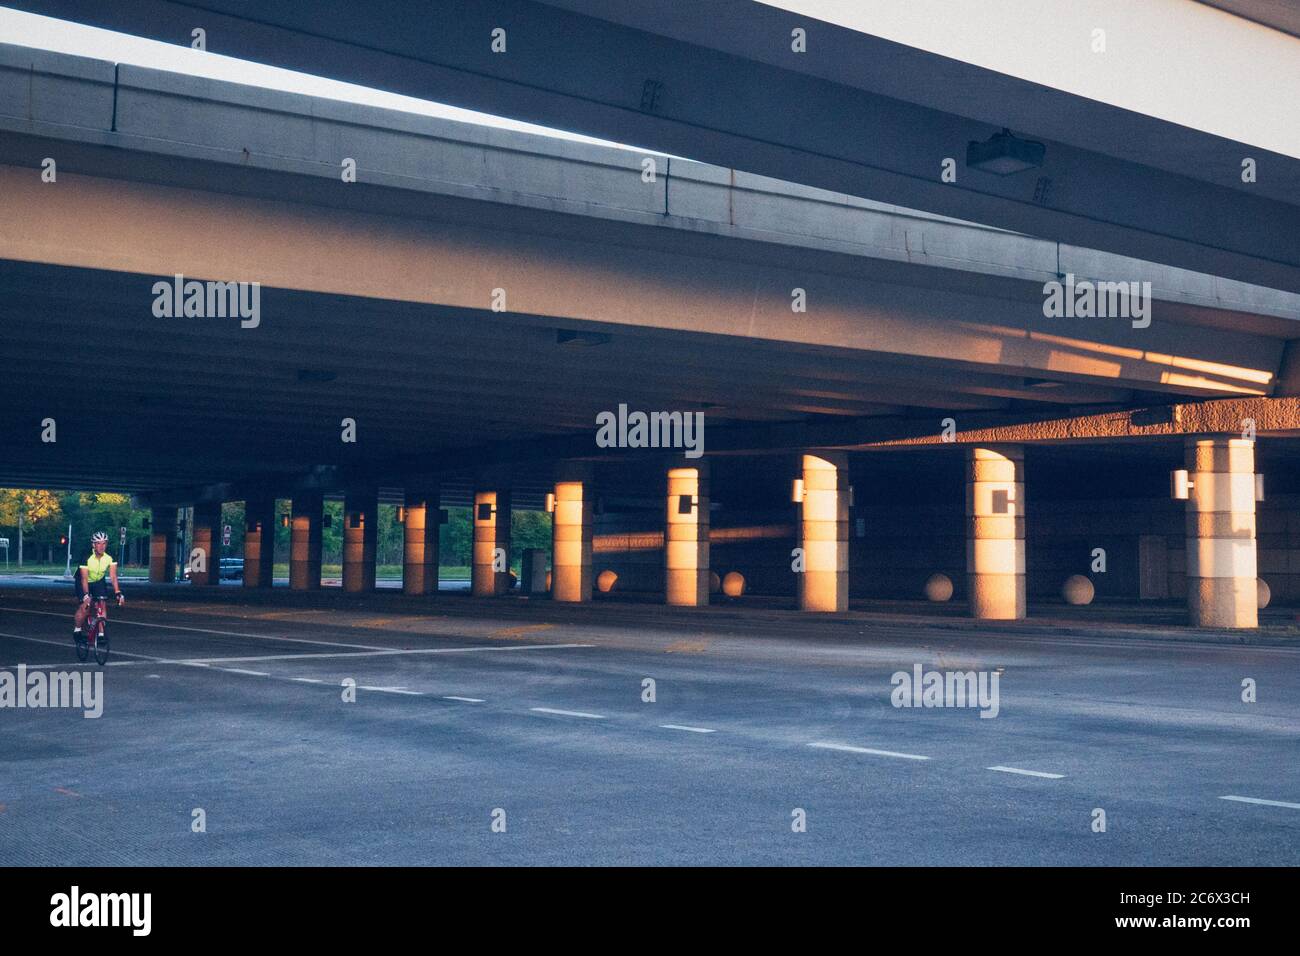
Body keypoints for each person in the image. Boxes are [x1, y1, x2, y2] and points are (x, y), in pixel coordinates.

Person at [73, 531, 124, 641]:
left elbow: (113, 576)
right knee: (85, 607)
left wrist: (118, 592)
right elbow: (84, 578)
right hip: (83, 580)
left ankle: (101, 634)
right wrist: (86, 595)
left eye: (104, 543)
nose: (102, 546)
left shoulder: (110, 556)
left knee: (102, 604)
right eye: (98, 543)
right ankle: (77, 630)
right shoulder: (86, 555)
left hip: (98, 580)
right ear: (93, 545)